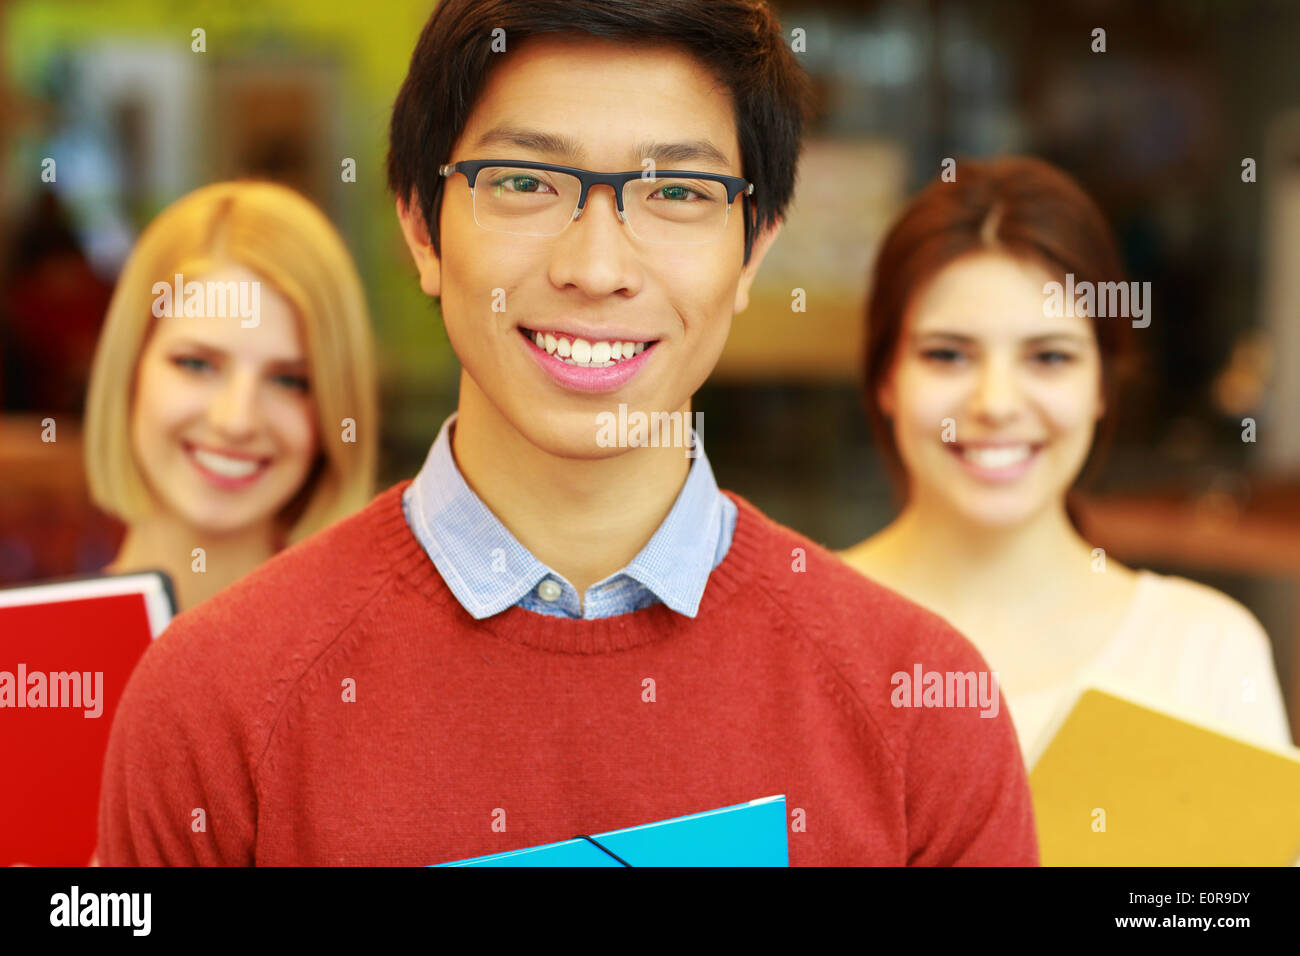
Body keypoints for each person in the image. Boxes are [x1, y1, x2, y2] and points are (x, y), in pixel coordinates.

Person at [98, 0, 1038, 866]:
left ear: (756, 248)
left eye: (676, 193)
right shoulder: (213, 701)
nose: (597, 267)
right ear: (421, 225)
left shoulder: (922, 705)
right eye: (524, 181)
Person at [840, 156, 1292, 758]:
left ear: (1103, 386)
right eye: (948, 355)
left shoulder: (1207, 653)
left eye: (1049, 357)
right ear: (885, 379)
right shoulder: (786, 637)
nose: (995, 404)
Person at [84, 181, 378, 613]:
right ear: (129, 369)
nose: (236, 420)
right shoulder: (28, 658)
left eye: (291, 381)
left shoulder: (373, 657)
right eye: (196, 364)